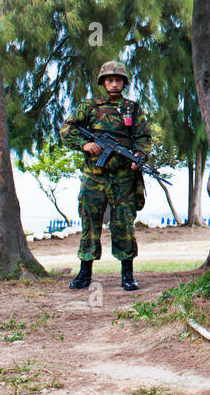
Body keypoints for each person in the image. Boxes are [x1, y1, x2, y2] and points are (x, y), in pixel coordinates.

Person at [59, 60, 151, 291]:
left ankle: (127, 275)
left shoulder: (132, 108)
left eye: (118, 79)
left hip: (123, 179)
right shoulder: (89, 107)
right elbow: (67, 130)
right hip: (94, 177)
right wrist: (85, 145)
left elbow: (143, 138)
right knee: (90, 223)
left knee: (124, 225)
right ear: (103, 82)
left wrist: (139, 157)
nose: (114, 83)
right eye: (109, 80)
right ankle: (84, 274)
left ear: (123, 82)